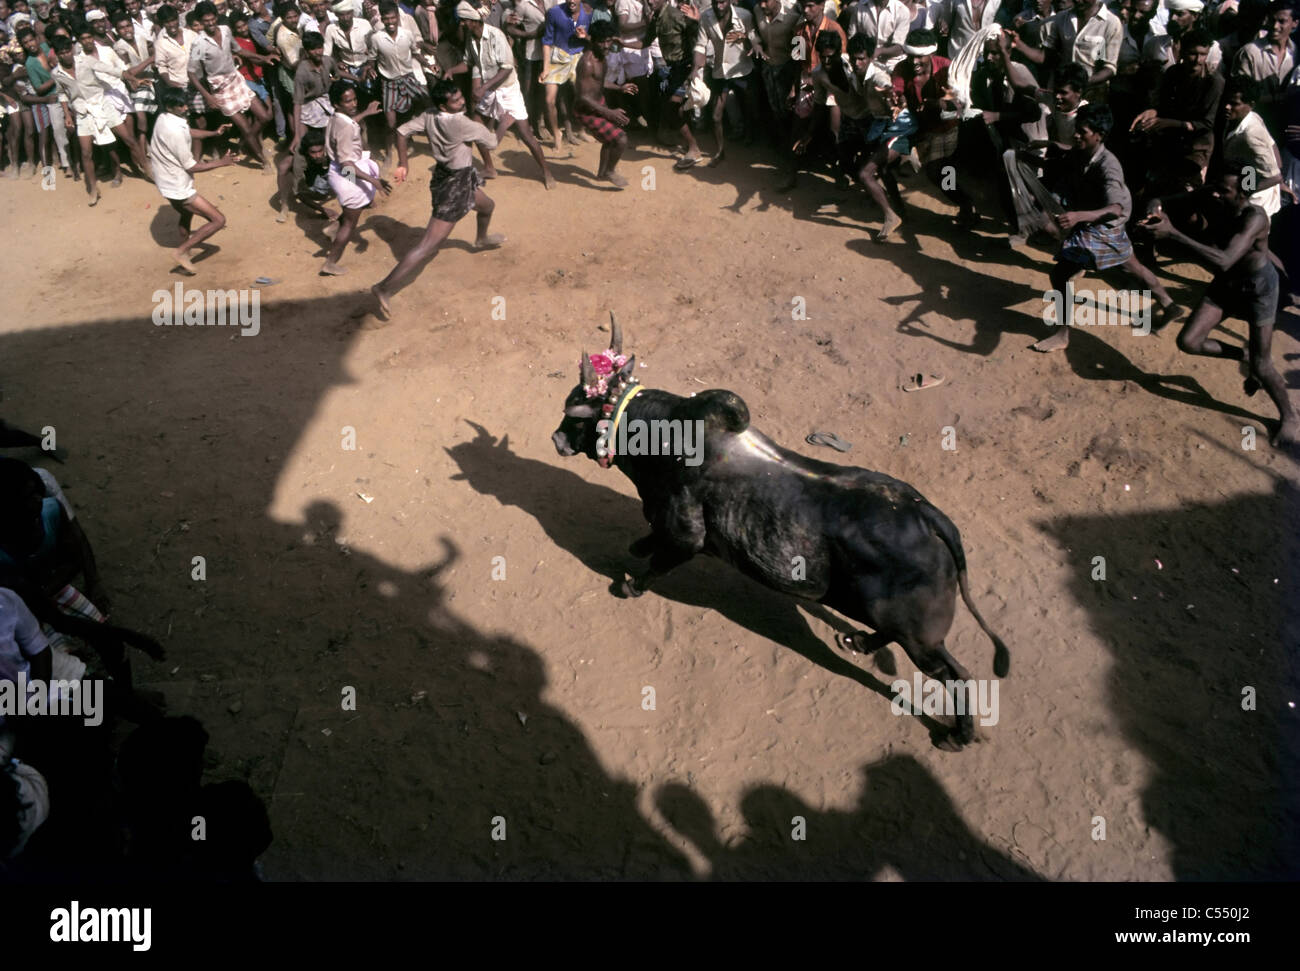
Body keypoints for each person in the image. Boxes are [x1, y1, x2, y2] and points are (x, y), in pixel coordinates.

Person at [1142, 170, 1298, 446]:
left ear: (1242, 193)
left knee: (1262, 366)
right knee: (1189, 341)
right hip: (1227, 284)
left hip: (1258, 288)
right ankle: (1242, 353)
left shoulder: (1255, 218)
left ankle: (1289, 417)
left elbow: (1224, 260)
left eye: (1223, 191)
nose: (1215, 193)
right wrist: (1155, 210)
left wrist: (1173, 234)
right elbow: (1160, 199)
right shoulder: (1210, 195)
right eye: (1215, 187)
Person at [1029, 103, 1182, 352]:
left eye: (1083, 131)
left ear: (1099, 136)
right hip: (1104, 225)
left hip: (1103, 227)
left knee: (1060, 275)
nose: (1077, 135)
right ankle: (1169, 304)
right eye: (1077, 129)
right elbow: (1067, 159)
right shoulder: (1083, 152)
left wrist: (1079, 215)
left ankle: (1062, 333)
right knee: (1132, 265)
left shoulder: (1108, 167)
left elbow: (1115, 209)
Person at [371, 78, 504, 316]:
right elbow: (492, 143)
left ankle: (481, 239)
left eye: (461, 96)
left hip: (450, 177)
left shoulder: (430, 115)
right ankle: (383, 287)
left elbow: (401, 131)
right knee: (427, 246)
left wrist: (404, 163)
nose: (462, 101)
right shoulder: (462, 123)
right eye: (456, 101)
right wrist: (506, 123)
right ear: (444, 106)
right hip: (455, 186)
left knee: (487, 206)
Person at [459, 0, 554, 187]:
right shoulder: (471, 40)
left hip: (507, 89)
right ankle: (489, 167)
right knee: (476, 124)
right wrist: (450, 71)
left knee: (526, 134)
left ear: (473, 20)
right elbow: (468, 63)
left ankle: (546, 172)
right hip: (489, 90)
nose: (462, 24)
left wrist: (483, 88)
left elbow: (507, 68)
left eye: (463, 20)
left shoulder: (496, 36)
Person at [49, 33, 152, 205]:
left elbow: (112, 70)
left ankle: (147, 169)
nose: (66, 55)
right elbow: (62, 94)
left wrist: (133, 79)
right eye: (62, 53)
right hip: (83, 112)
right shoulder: (56, 73)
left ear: (72, 50)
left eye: (68, 51)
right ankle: (92, 189)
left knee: (128, 138)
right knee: (86, 152)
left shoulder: (85, 61)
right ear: (57, 55)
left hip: (102, 104)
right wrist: (67, 115)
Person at [148, 84, 239, 272]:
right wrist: (222, 163)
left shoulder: (164, 119)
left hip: (166, 182)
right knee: (218, 220)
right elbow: (192, 166)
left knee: (186, 214)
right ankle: (181, 251)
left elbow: (189, 131)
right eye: (180, 106)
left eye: (185, 104)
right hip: (177, 187)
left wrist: (214, 133)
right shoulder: (174, 132)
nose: (185, 108)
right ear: (170, 107)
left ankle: (185, 253)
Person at [189, 0, 271, 168]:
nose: (211, 23)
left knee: (264, 116)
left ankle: (246, 143)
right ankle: (264, 161)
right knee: (246, 128)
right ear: (200, 21)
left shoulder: (226, 31)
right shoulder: (199, 43)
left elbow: (239, 50)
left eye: (212, 19)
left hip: (236, 79)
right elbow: (191, 74)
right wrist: (208, 96)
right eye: (206, 21)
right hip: (220, 88)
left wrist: (263, 58)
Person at [322, 79, 389, 275]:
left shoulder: (336, 118)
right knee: (351, 224)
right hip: (346, 172)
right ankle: (330, 263)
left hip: (340, 171)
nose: (353, 104)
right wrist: (373, 181)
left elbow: (349, 123)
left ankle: (333, 228)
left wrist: (366, 113)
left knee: (354, 209)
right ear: (336, 104)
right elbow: (347, 165)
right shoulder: (346, 127)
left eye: (354, 100)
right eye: (348, 102)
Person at [691, 0, 760, 166]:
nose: (719, 6)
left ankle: (751, 135)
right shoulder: (706, 17)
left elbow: (754, 37)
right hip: (720, 71)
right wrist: (695, 68)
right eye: (715, 3)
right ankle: (720, 151)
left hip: (742, 70)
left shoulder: (745, 15)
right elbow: (700, 46)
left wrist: (749, 41)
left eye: (722, 2)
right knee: (716, 116)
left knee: (750, 106)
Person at [574, 18, 634, 184]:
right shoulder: (587, 63)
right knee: (620, 139)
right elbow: (583, 97)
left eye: (608, 41)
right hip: (585, 109)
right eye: (602, 42)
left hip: (597, 103)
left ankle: (602, 173)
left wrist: (619, 88)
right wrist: (609, 112)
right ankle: (609, 171)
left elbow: (600, 82)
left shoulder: (602, 56)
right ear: (593, 41)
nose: (606, 45)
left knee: (611, 140)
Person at [540, 0, 592, 148]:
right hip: (558, 57)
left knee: (583, 95)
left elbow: (596, 39)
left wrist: (585, 37)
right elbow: (546, 41)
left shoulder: (588, 12)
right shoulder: (554, 12)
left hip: (578, 57)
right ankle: (557, 133)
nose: (571, 1)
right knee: (549, 100)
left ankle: (582, 130)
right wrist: (545, 68)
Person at [275, 125, 335, 221]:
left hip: (329, 165)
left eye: (320, 151)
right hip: (310, 168)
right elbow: (298, 192)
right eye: (313, 152)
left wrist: (350, 185)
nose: (318, 155)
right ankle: (284, 205)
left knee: (347, 176)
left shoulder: (332, 146)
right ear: (306, 151)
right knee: (283, 166)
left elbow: (348, 164)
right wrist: (322, 209)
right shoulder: (300, 159)